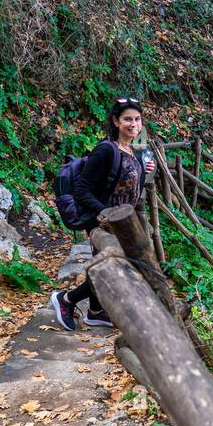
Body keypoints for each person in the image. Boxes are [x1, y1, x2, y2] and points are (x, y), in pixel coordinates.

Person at [50, 97, 155, 330]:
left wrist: (144, 169)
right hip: (104, 222)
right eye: (127, 119)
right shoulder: (106, 150)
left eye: (137, 119)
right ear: (116, 121)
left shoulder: (132, 150)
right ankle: (65, 299)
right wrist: (104, 211)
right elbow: (82, 189)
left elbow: (130, 186)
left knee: (107, 266)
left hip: (122, 223)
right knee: (112, 270)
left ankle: (96, 312)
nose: (133, 124)